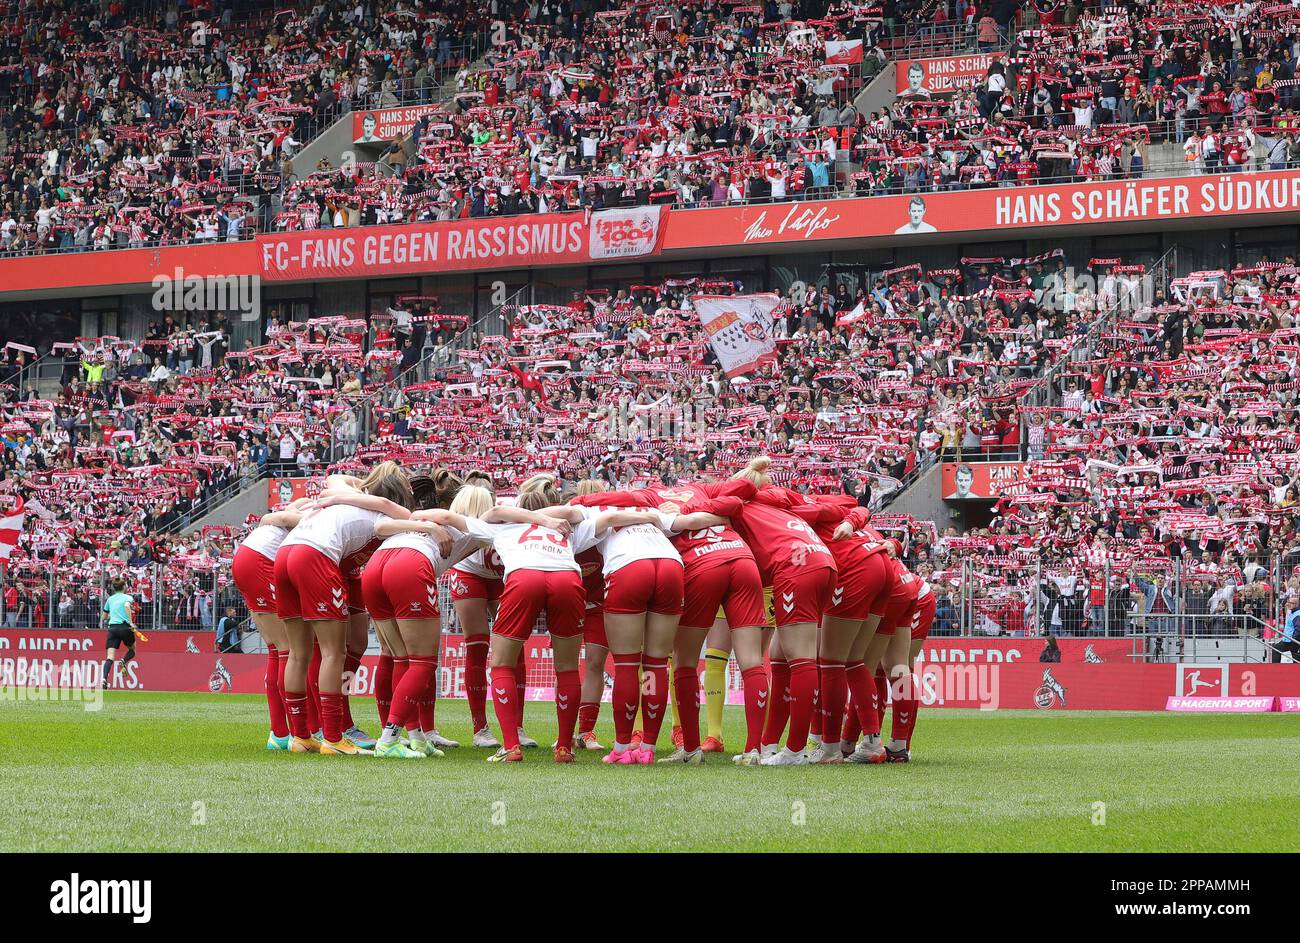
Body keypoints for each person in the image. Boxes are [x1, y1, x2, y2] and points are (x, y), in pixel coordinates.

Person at [568, 478, 770, 761]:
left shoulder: (647, 496)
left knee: (673, 662)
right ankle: (754, 749)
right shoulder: (705, 489)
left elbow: (612, 501)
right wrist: (705, 510)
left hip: (697, 563)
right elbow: (742, 493)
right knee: (750, 660)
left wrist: (580, 500)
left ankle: (685, 746)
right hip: (738, 558)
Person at [274, 462, 422, 755]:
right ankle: (333, 737)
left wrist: (352, 492)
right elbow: (393, 508)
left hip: (286, 554)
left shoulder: (345, 499)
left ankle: (301, 736)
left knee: (298, 653)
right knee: (334, 652)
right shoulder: (385, 512)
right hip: (315, 556)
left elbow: (337, 479)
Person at [726, 457, 839, 765]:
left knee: (800, 658)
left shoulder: (740, 507)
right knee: (780, 654)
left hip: (796, 568)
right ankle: (769, 743)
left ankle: (796, 750)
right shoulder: (779, 504)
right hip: (823, 563)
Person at [231, 499, 312, 750]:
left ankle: (279, 732)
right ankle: (291, 731)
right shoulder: (311, 515)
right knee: (288, 649)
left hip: (247, 557)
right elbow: (286, 517)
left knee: (277, 649)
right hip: (258, 561)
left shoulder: (295, 511)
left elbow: (278, 516)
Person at [101, 578, 140, 689]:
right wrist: (131, 623)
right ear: (124, 587)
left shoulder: (110, 599)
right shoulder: (128, 597)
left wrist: (113, 616)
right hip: (125, 627)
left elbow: (104, 617)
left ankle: (104, 678)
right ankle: (123, 661)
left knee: (110, 657)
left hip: (113, 628)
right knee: (132, 650)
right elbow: (127, 606)